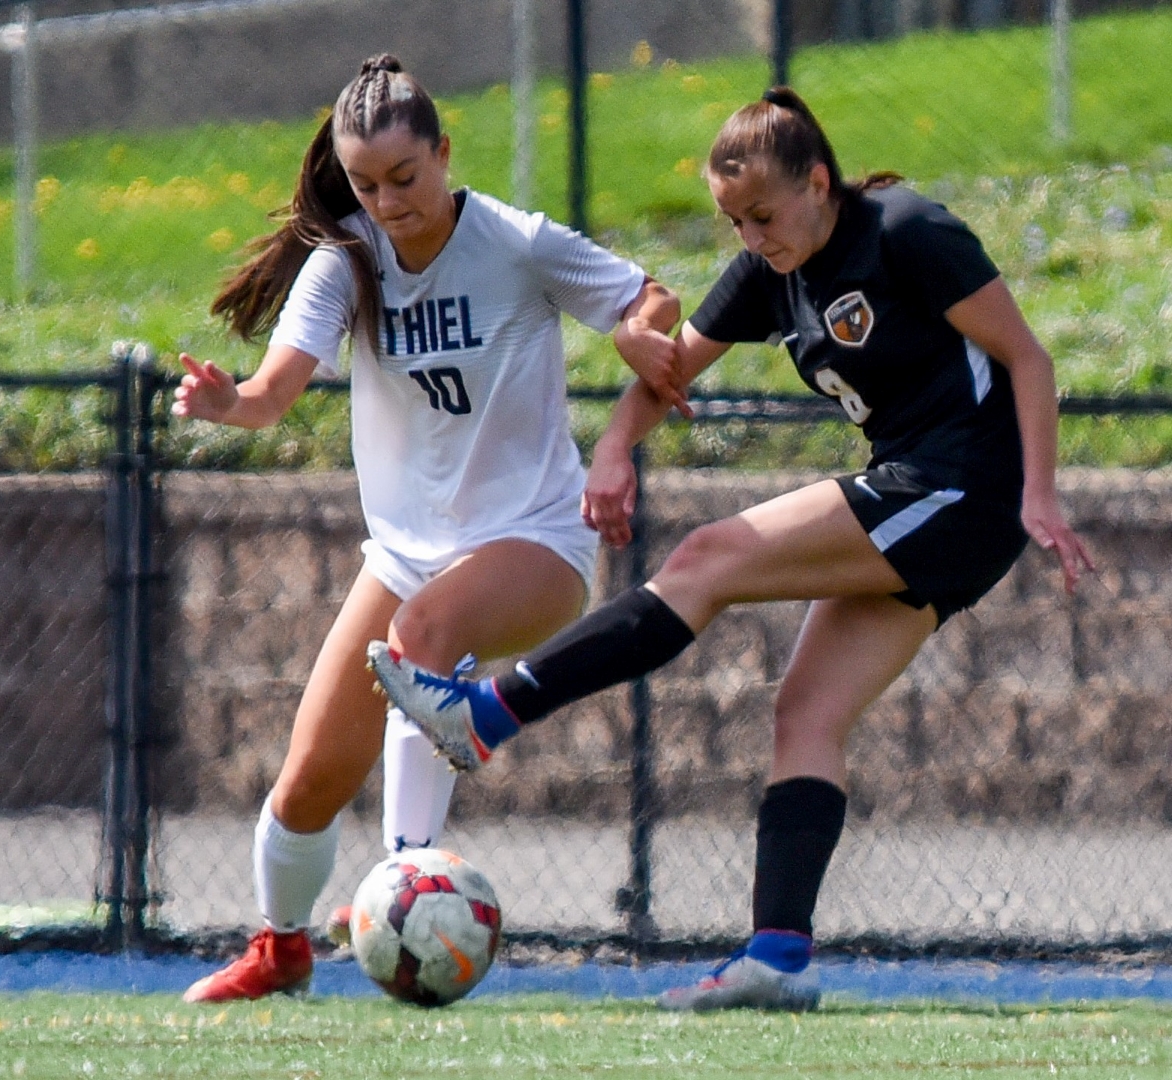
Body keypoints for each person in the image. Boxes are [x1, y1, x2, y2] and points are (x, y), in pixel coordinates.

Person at [371, 87, 1095, 1012]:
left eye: (763, 215)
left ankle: (485, 716)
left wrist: (1040, 493)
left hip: (962, 489)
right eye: (732, 222)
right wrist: (612, 448)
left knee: (709, 557)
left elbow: (1028, 357)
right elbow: (666, 367)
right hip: (920, 492)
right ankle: (777, 958)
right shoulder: (768, 272)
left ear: (819, 184)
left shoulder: (907, 229)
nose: (751, 237)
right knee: (805, 715)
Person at [175, 54, 682, 1003]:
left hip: (536, 542)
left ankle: (409, 880)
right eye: (365, 184)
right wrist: (226, 401)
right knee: (309, 783)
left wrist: (630, 331)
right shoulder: (345, 263)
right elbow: (272, 394)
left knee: (424, 638)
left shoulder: (516, 242)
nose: (388, 201)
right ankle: (281, 949)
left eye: (405, 178)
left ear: (445, 154)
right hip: (405, 558)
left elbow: (653, 301)